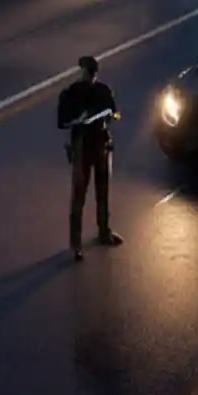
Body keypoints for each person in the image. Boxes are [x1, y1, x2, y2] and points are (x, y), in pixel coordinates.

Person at [58, 55, 124, 261]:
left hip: (99, 144)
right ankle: (77, 244)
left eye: (92, 72)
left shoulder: (103, 91)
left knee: (101, 191)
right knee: (81, 194)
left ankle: (102, 231)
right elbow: (62, 122)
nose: (91, 76)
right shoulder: (72, 93)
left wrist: (109, 116)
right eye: (89, 72)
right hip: (83, 146)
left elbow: (116, 114)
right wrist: (77, 120)